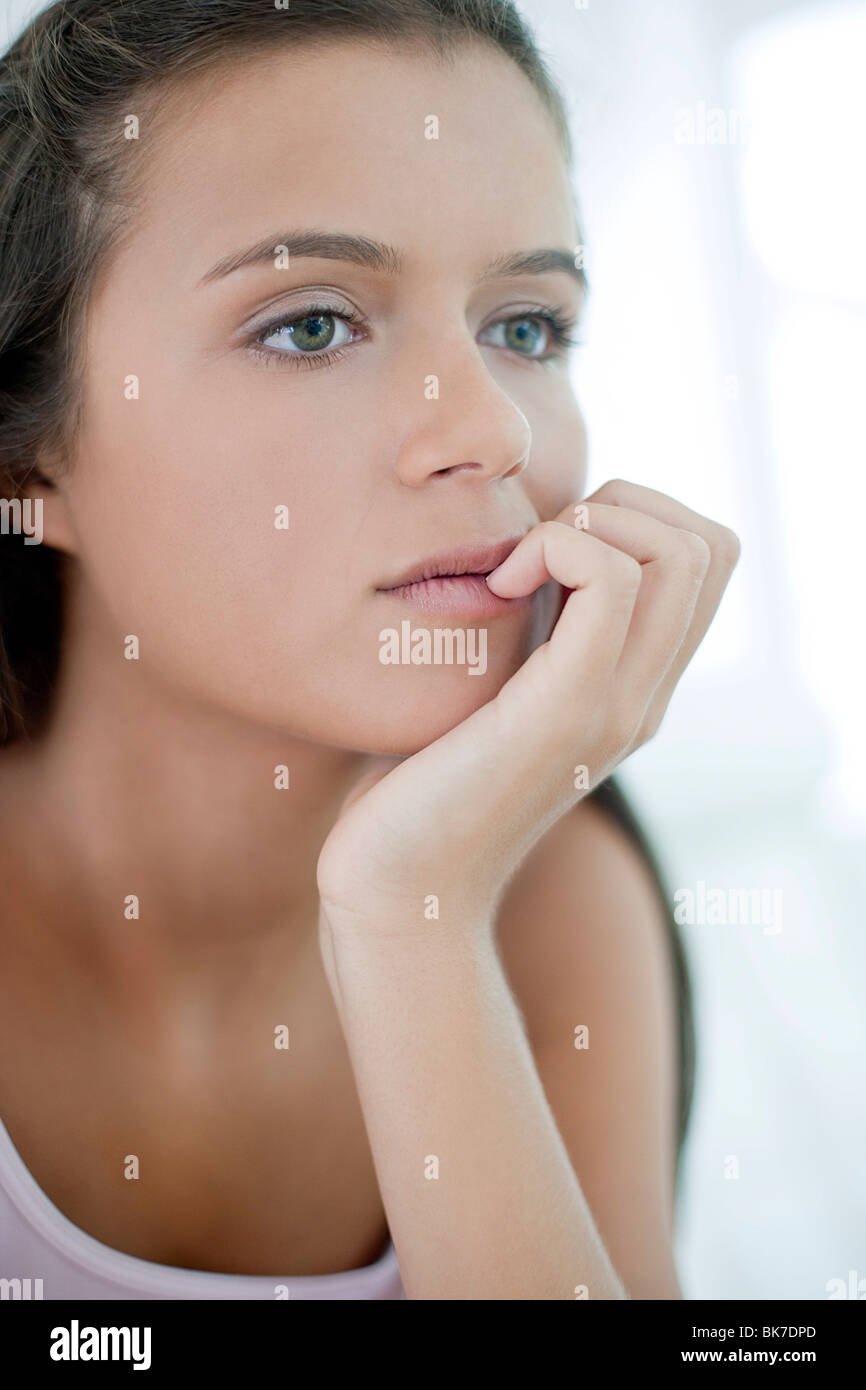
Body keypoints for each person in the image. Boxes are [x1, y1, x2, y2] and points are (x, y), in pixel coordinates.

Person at [0, 0, 740, 1300]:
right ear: (25, 460)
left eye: (525, 328)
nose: (492, 432)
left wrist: (414, 916)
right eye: (310, 325)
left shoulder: (559, 895)